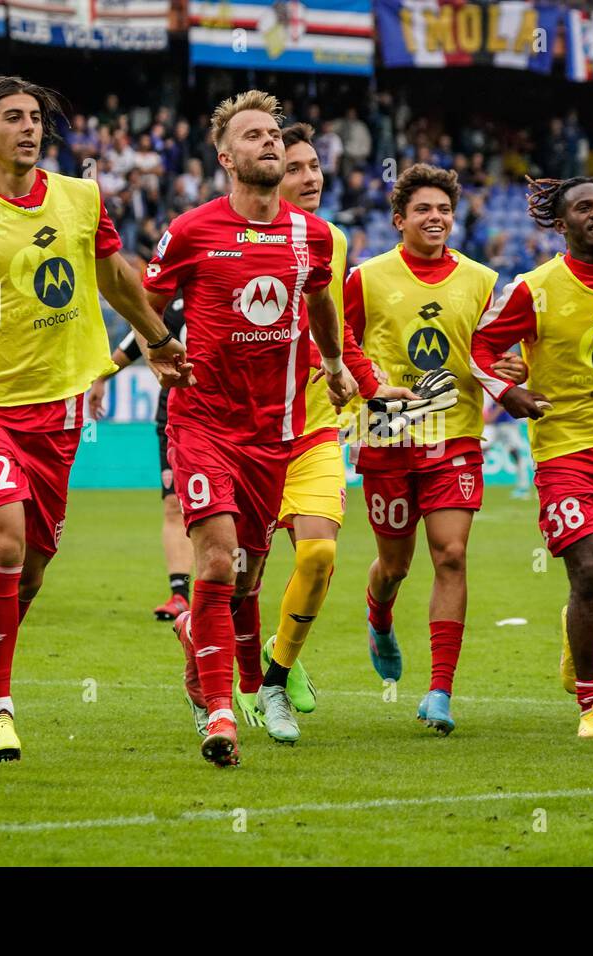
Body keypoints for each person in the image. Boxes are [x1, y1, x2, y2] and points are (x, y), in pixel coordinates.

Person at [0, 75, 190, 766]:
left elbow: (114, 277)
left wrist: (158, 339)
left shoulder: (80, 198)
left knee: (33, 572)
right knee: (6, 543)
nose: (30, 127)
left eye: (36, 117)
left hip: (58, 411)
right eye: (12, 118)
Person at [143, 90, 355, 767]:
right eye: (254, 135)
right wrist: (156, 351)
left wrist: (335, 361)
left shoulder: (310, 235)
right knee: (214, 558)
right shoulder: (191, 231)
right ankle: (221, 714)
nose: (269, 142)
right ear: (226, 155)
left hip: (277, 433)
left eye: (274, 134)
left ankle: (197, 645)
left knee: (243, 578)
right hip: (203, 421)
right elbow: (147, 302)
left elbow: (320, 298)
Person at [471, 175, 593, 739]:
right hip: (565, 452)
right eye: (584, 208)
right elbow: (480, 347)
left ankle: (577, 638)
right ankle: (592, 704)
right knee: (587, 571)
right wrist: (510, 393)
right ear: (561, 224)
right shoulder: (535, 288)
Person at [242, 121, 404, 744]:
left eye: (314, 167)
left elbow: (336, 335)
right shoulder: (226, 238)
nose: (309, 177)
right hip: (243, 435)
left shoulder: (329, 240)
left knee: (318, 553)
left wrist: (368, 384)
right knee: (240, 577)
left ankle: (274, 675)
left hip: (311, 429)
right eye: (295, 168)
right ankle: (240, 664)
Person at [345, 163, 497, 736]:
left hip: (454, 434)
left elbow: (494, 351)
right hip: (387, 435)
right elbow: (339, 346)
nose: (436, 218)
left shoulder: (482, 280)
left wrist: (510, 369)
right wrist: (361, 387)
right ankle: (379, 616)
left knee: (451, 555)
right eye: (424, 210)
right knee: (394, 565)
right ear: (399, 219)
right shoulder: (366, 277)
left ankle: (439, 691)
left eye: (444, 210)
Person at [86, 299, 193, 624]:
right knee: (174, 504)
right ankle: (180, 595)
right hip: (177, 414)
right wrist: (104, 375)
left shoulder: (227, 281)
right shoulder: (171, 299)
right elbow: (144, 334)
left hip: (227, 413)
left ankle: (230, 591)